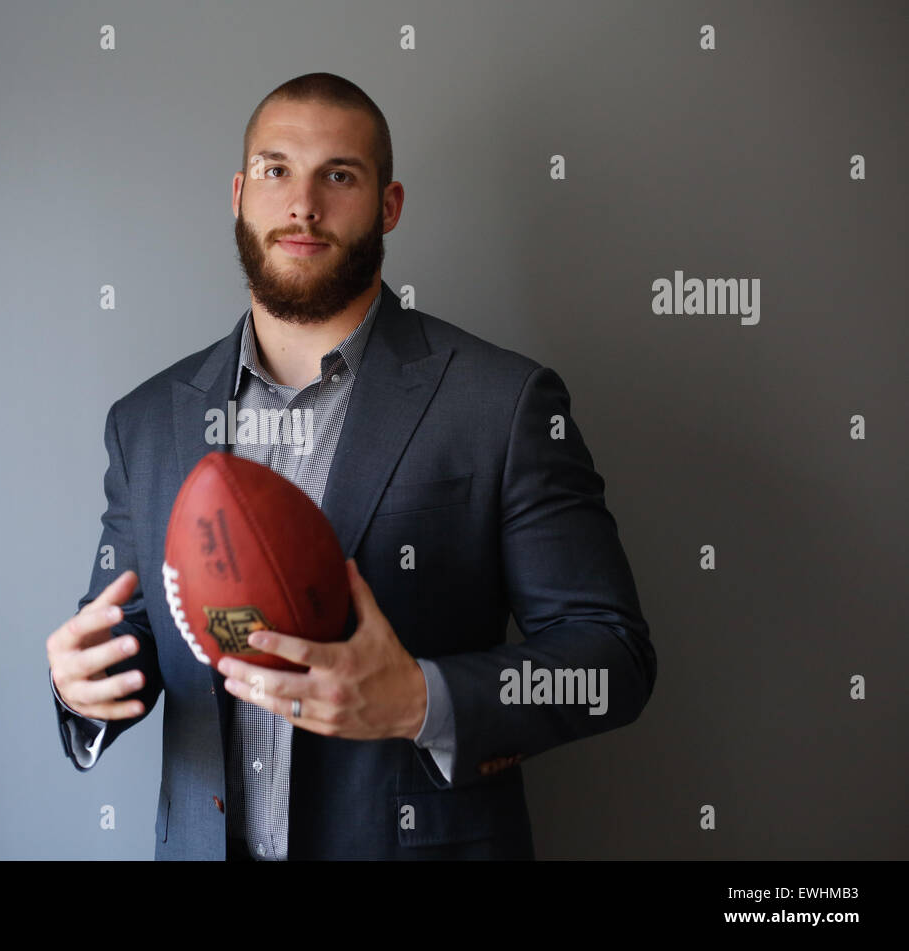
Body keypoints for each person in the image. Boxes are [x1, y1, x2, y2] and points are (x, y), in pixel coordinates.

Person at [46, 72, 656, 860]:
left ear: (388, 205)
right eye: (276, 170)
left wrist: (419, 700)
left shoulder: (501, 402)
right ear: (239, 192)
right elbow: (128, 635)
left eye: (339, 175)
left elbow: (611, 657)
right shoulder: (147, 422)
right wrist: (80, 689)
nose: (302, 204)